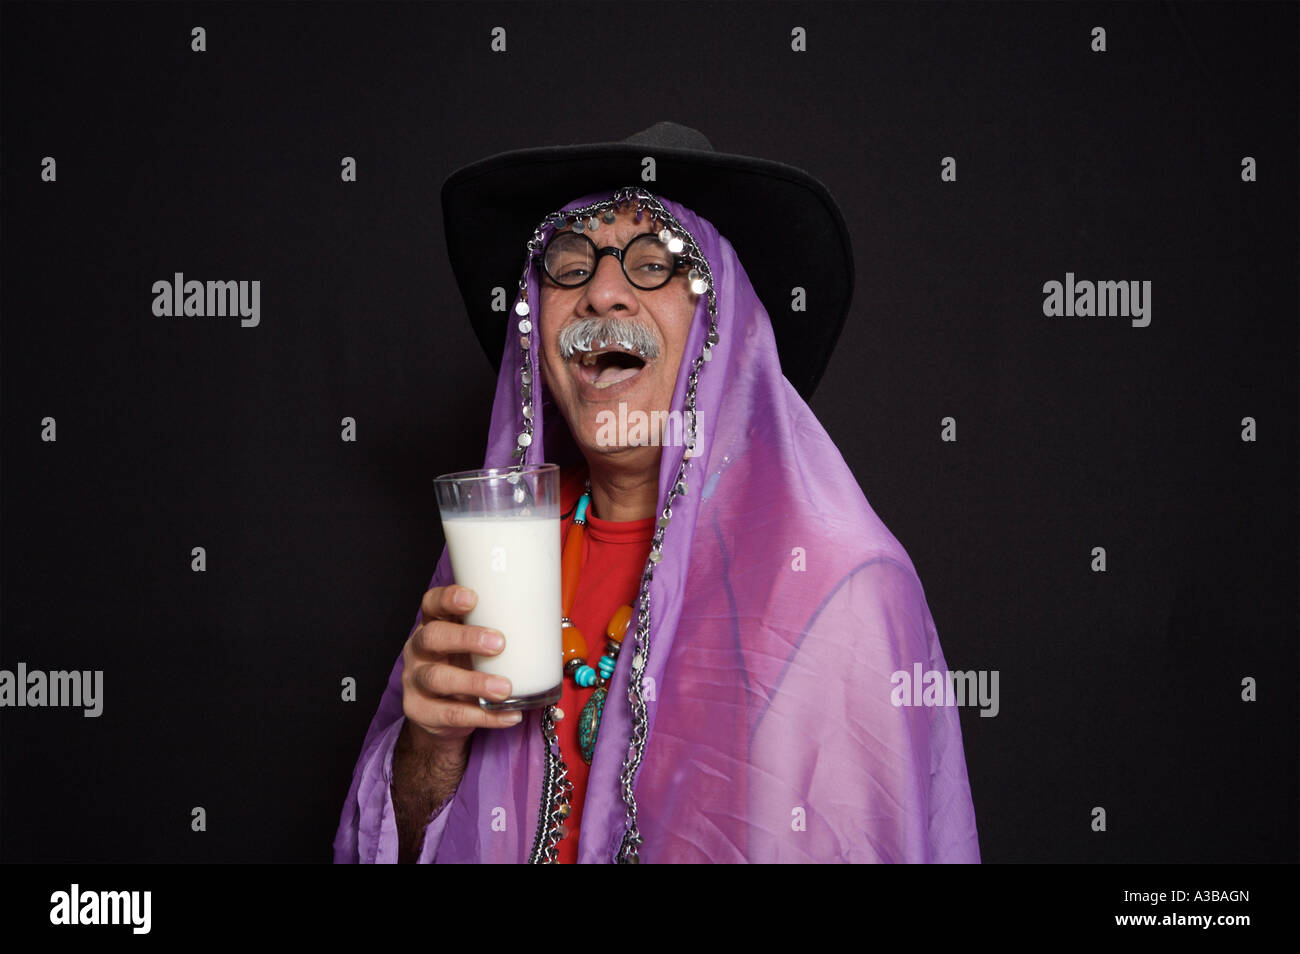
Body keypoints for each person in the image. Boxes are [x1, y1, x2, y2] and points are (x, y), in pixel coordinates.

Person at [333, 122, 981, 863]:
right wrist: (430, 748)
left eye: (656, 262)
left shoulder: (840, 589)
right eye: (568, 266)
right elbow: (394, 840)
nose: (601, 294)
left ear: (724, 325)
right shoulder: (498, 555)